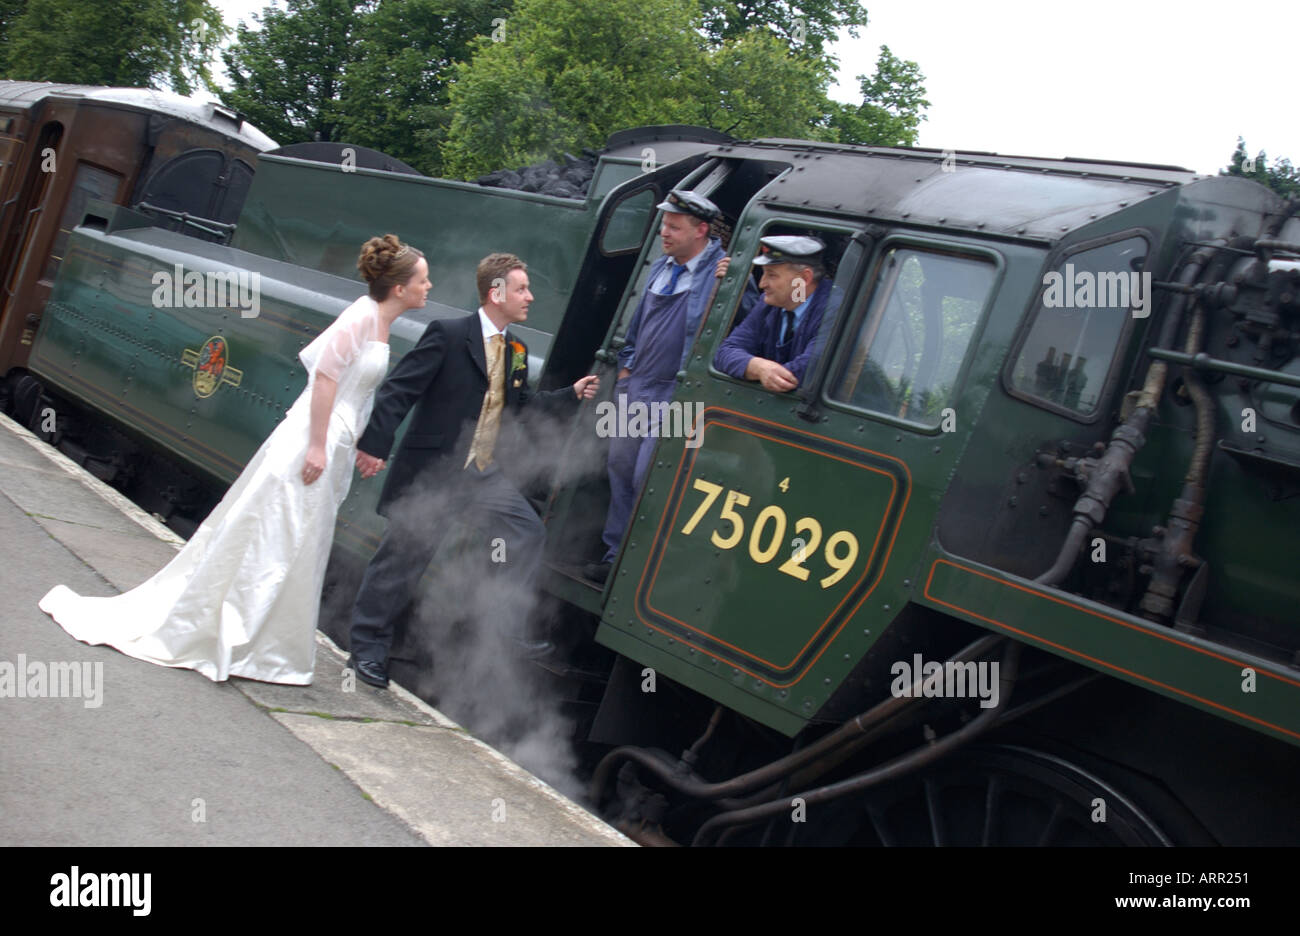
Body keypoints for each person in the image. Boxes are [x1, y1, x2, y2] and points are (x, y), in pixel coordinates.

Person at [39, 235, 429, 684]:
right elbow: (324, 377)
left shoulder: (381, 321)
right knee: (276, 533)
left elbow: (355, 394)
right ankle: (236, 636)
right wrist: (319, 445)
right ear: (399, 287)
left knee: (299, 538)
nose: (429, 287)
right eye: (423, 280)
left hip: (336, 440)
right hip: (312, 438)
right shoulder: (362, 314)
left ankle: (262, 644)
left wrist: (353, 445)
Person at [346, 253, 599, 689]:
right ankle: (366, 649)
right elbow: (398, 390)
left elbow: (522, 408)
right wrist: (374, 445)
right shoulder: (447, 335)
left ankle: (503, 628)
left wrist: (570, 395)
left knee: (526, 533)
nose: (530, 297)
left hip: (482, 474)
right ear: (495, 293)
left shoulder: (516, 351)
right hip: (436, 471)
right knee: (403, 561)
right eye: (522, 289)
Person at [587, 190, 752, 583]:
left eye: (674, 227)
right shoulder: (660, 267)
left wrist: (736, 288)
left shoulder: (724, 270)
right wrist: (625, 375)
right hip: (637, 385)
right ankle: (613, 557)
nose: (664, 232)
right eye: (664, 224)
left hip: (675, 394)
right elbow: (636, 325)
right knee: (619, 466)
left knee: (649, 475)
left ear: (701, 230)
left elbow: (743, 326)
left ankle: (641, 565)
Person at [713, 235, 836, 393]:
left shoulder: (834, 311)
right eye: (763, 274)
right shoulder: (770, 303)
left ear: (804, 278)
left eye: (772, 275)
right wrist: (760, 368)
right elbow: (724, 352)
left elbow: (803, 372)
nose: (762, 284)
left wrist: (758, 368)